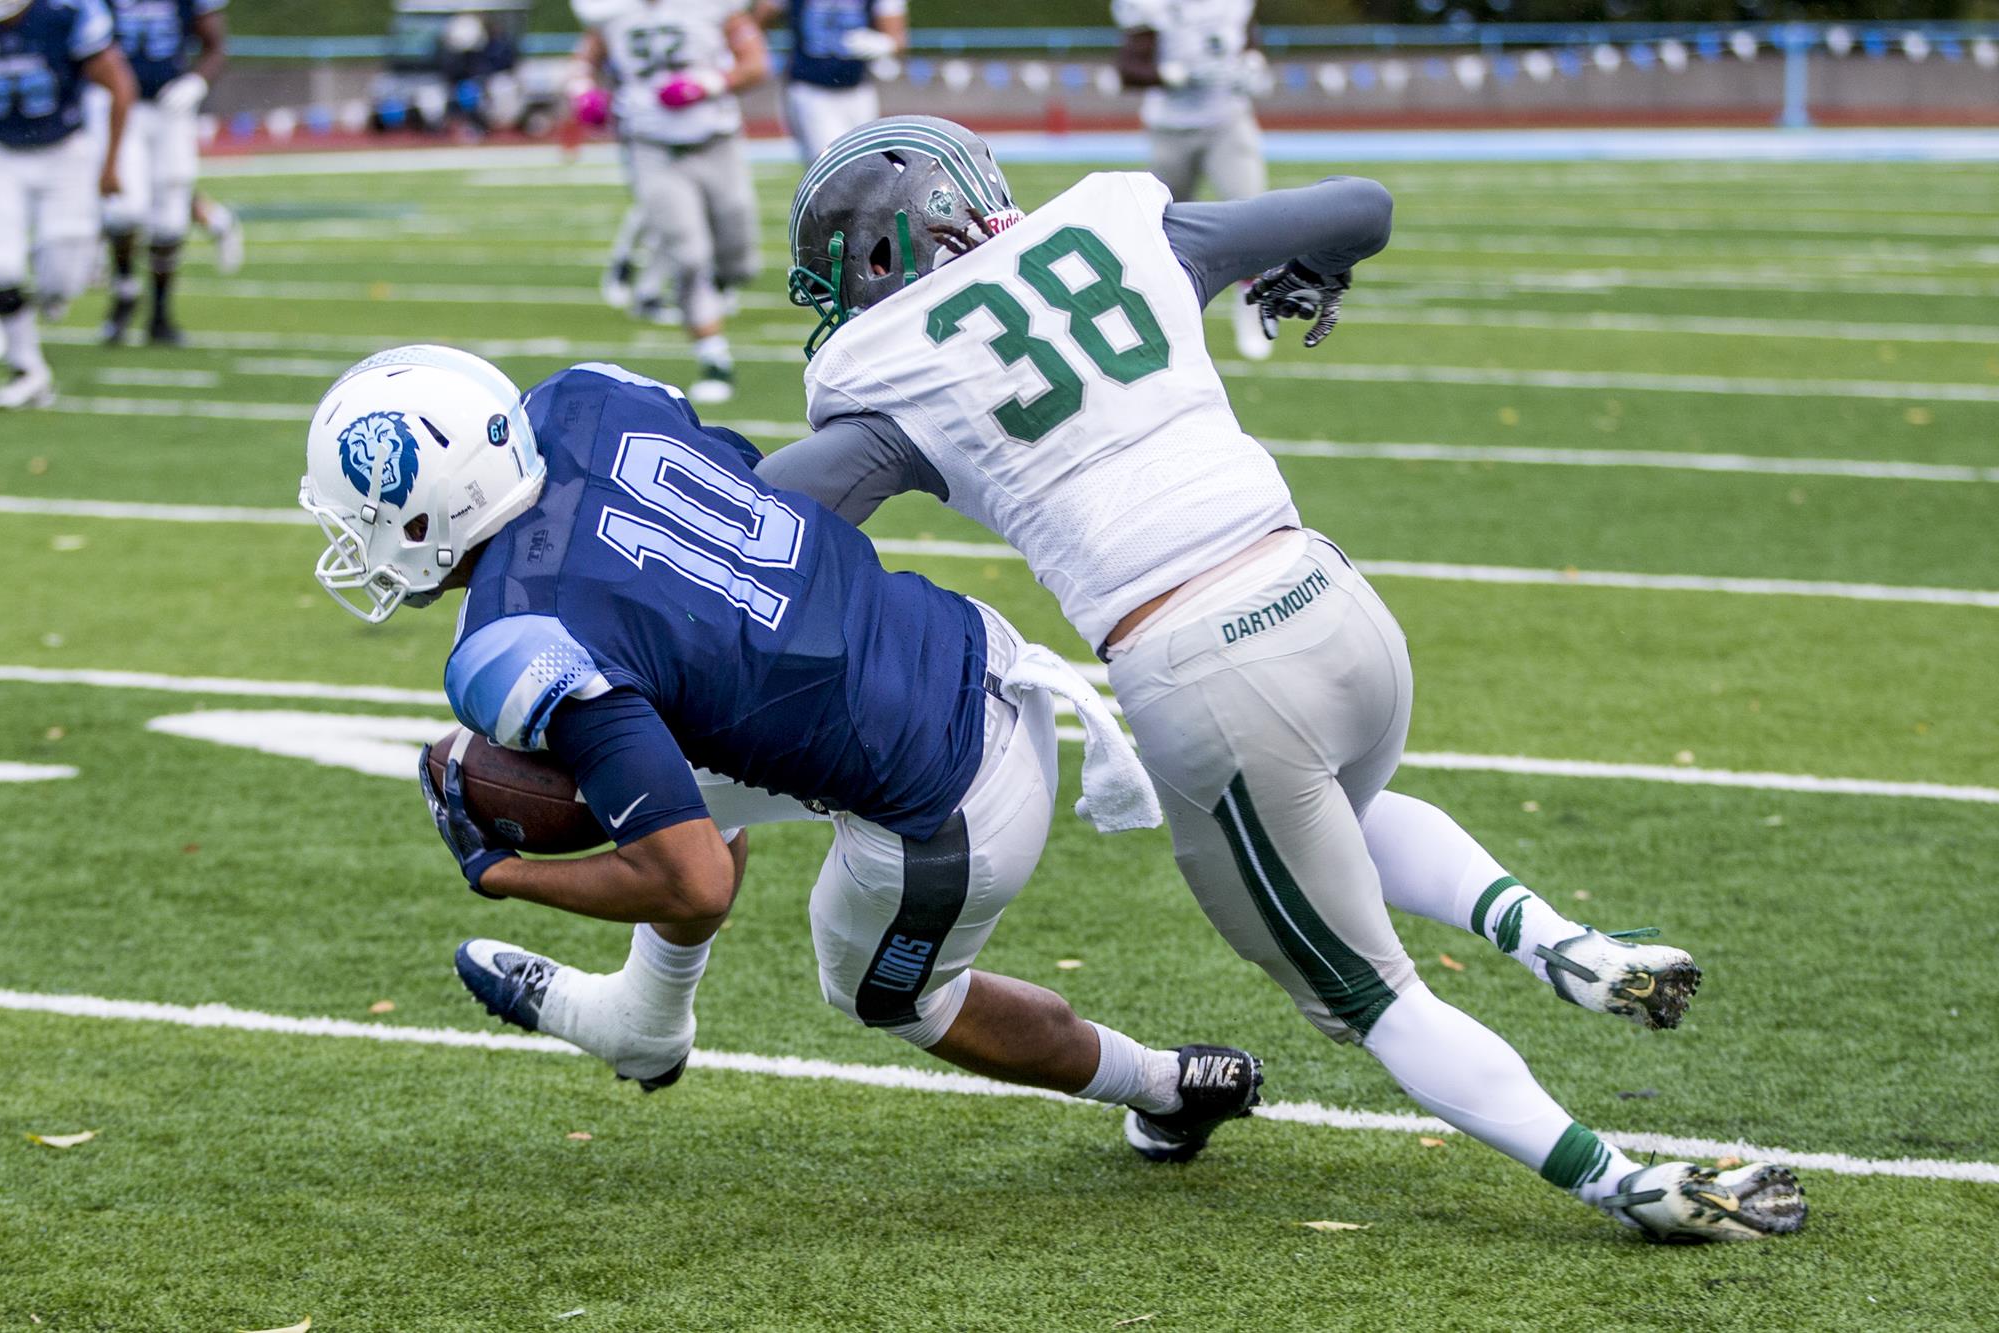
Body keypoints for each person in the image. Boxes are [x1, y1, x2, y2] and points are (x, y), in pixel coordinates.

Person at [761, 116, 1807, 1241]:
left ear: (879, 262)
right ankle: (1559, 942)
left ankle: (1630, 1184)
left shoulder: (886, 372)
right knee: (1340, 816)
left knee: (1373, 997)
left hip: (1202, 667)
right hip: (1329, 596)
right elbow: (1362, 202)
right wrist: (1306, 269)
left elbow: (769, 512)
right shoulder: (1119, 229)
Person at [297, 345, 1266, 1163]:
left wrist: (499, 869)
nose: (357, 543)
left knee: (890, 996)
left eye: (368, 519)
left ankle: (1163, 1083)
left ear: (428, 518)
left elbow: (693, 885)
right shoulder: (582, 399)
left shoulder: (513, 638)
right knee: (674, 743)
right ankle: (645, 1023)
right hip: (963, 643)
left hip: (951, 803)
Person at [569, 0, 768, 402]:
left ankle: (717, 288)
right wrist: (583, 93)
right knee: (688, 254)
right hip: (651, 147)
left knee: (740, 256)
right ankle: (714, 357)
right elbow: (581, 64)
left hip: (716, 141)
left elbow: (756, 63)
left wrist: (705, 85)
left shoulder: (714, 8)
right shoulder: (610, 12)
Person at [1113, 0, 1273, 363]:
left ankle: (1251, 307)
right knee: (1161, 231)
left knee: (1252, 214)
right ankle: (1159, 318)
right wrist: (1170, 75)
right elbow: (1128, 68)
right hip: (1171, 128)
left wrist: (1253, 62)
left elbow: (1246, 36)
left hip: (1228, 121)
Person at [0, 0, 133, 410]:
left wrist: (110, 163)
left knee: (60, 281)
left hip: (64, 151)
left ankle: (61, 268)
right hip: (4, 152)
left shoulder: (67, 13)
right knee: (3, 265)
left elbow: (120, 85)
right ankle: (28, 367)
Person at [97, 0, 226, 346]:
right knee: (125, 209)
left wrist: (197, 81)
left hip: (171, 108)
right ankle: (125, 287)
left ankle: (160, 314)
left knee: (170, 217)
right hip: (120, 106)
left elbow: (215, 42)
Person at [754, 0, 905, 163]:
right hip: (811, 90)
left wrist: (883, 44)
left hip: (858, 90)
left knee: (871, 164)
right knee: (834, 165)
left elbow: (897, 38)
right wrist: (756, 53)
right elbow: (758, 21)